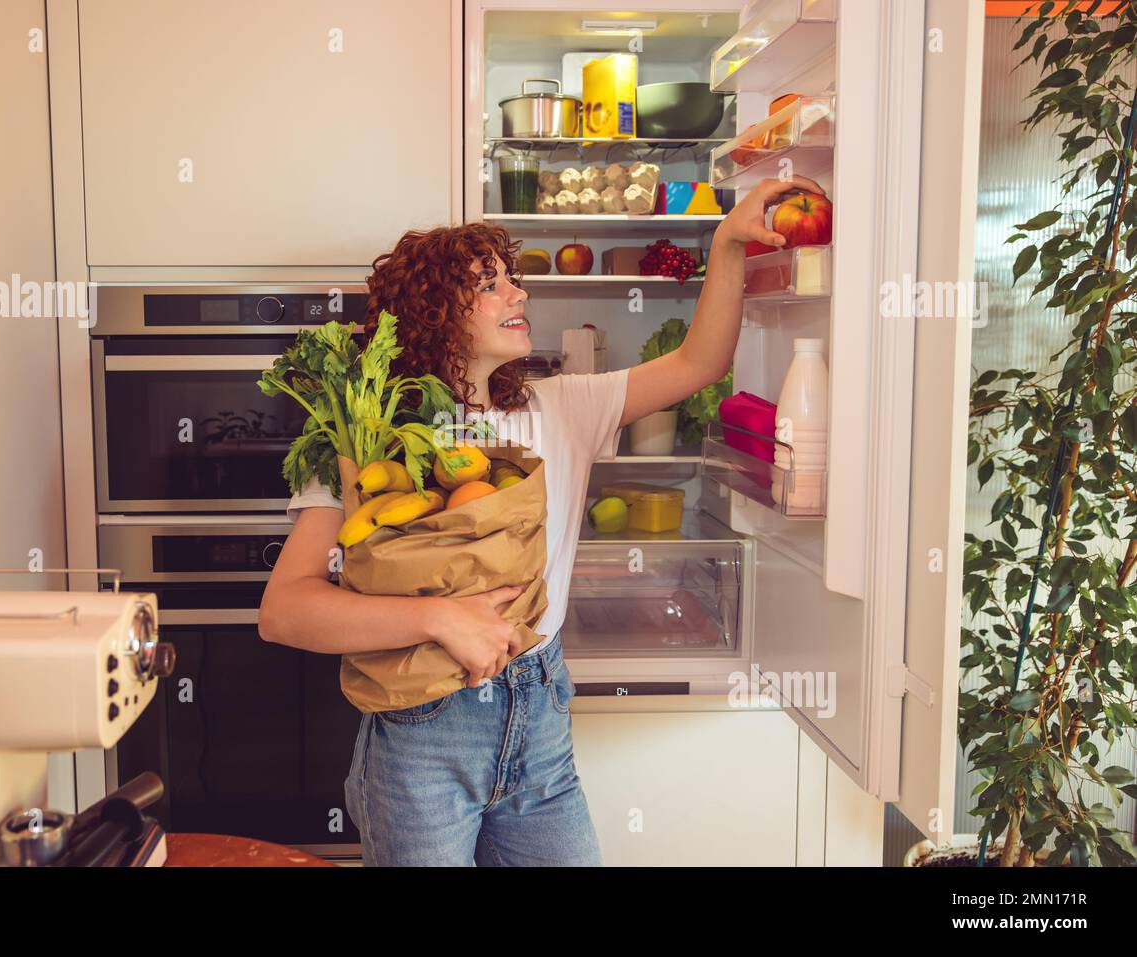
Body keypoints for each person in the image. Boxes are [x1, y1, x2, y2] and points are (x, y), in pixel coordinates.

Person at [258, 175, 825, 865]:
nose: (518, 292)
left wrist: (728, 242)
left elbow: (699, 362)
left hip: (540, 715)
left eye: (513, 279)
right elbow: (285, 610)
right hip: (423, 733)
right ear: (436, 309)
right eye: (490, 283)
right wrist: (440, 619)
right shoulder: (368, 438)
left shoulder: (564, 407)